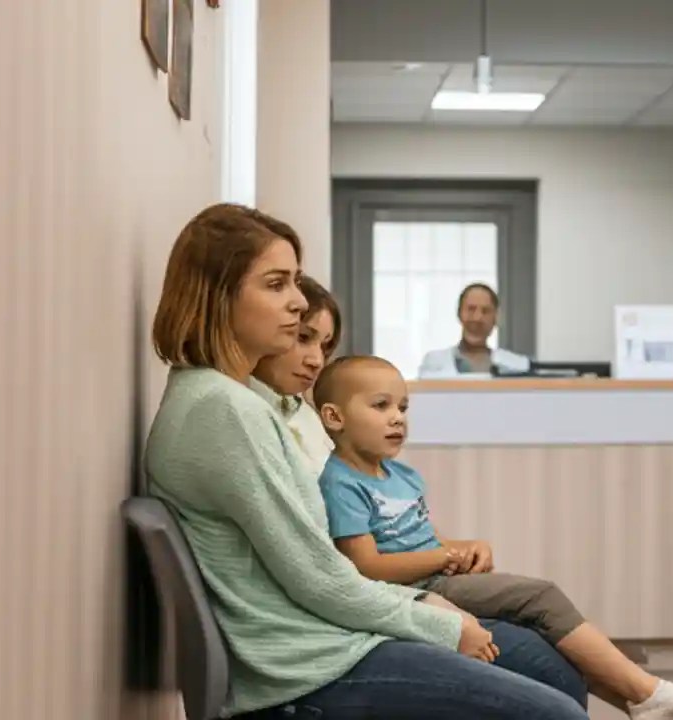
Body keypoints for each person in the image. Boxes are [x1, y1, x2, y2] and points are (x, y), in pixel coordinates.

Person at [144, 203, 591, 719]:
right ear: (218, 294)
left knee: (552, 674)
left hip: (318, 643)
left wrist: (422, 608)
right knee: (558, 712)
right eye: (275, 284)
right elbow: (317, 579)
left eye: (295, 282)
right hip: (304, 669)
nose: (296, 302)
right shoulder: (223, 409)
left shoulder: (236, 399)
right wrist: (438, 621)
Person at [311, 354, 673, 720]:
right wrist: (443, 559)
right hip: (412, 591)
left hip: (436, 576)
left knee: (543, 622)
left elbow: (424, 538)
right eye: (381, 406)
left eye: (403, 406)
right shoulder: (341, 482)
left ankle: (640, 700)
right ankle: (647, 693)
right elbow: (366, 566)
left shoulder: (402, 474)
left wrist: (464, 547)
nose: (398, 417)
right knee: (541, 597)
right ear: (335, 417)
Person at [249, 275, 341, 477]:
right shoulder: (238, 410)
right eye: (303, 337)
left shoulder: (304, 412)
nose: (316, 360)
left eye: (325, 347)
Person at [417, 282, 531, 377]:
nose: (477, 318)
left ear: (495, 318)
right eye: (471, 309)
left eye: (485, 311)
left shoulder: (516, 365)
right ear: (459, 314)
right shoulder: (433, 363)